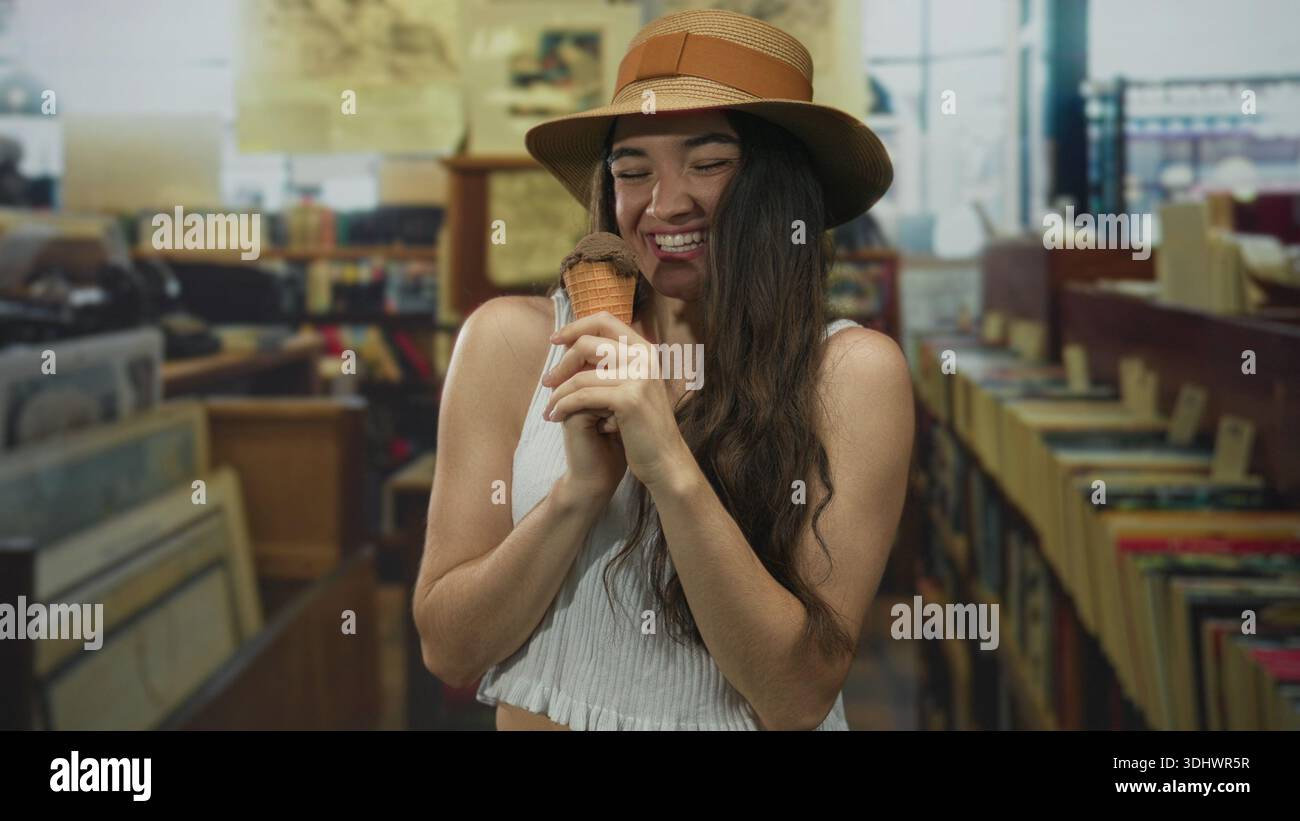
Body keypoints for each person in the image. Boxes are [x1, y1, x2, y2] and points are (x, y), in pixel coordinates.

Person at [413, 9, 913, 730]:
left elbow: (797, 694)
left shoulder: (851, 373)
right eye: (632, 170)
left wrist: (667, 464)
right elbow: (449, 649)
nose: (664, 203)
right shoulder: (512, 344)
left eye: (709, 163)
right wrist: (579, 492)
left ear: (778, 186)